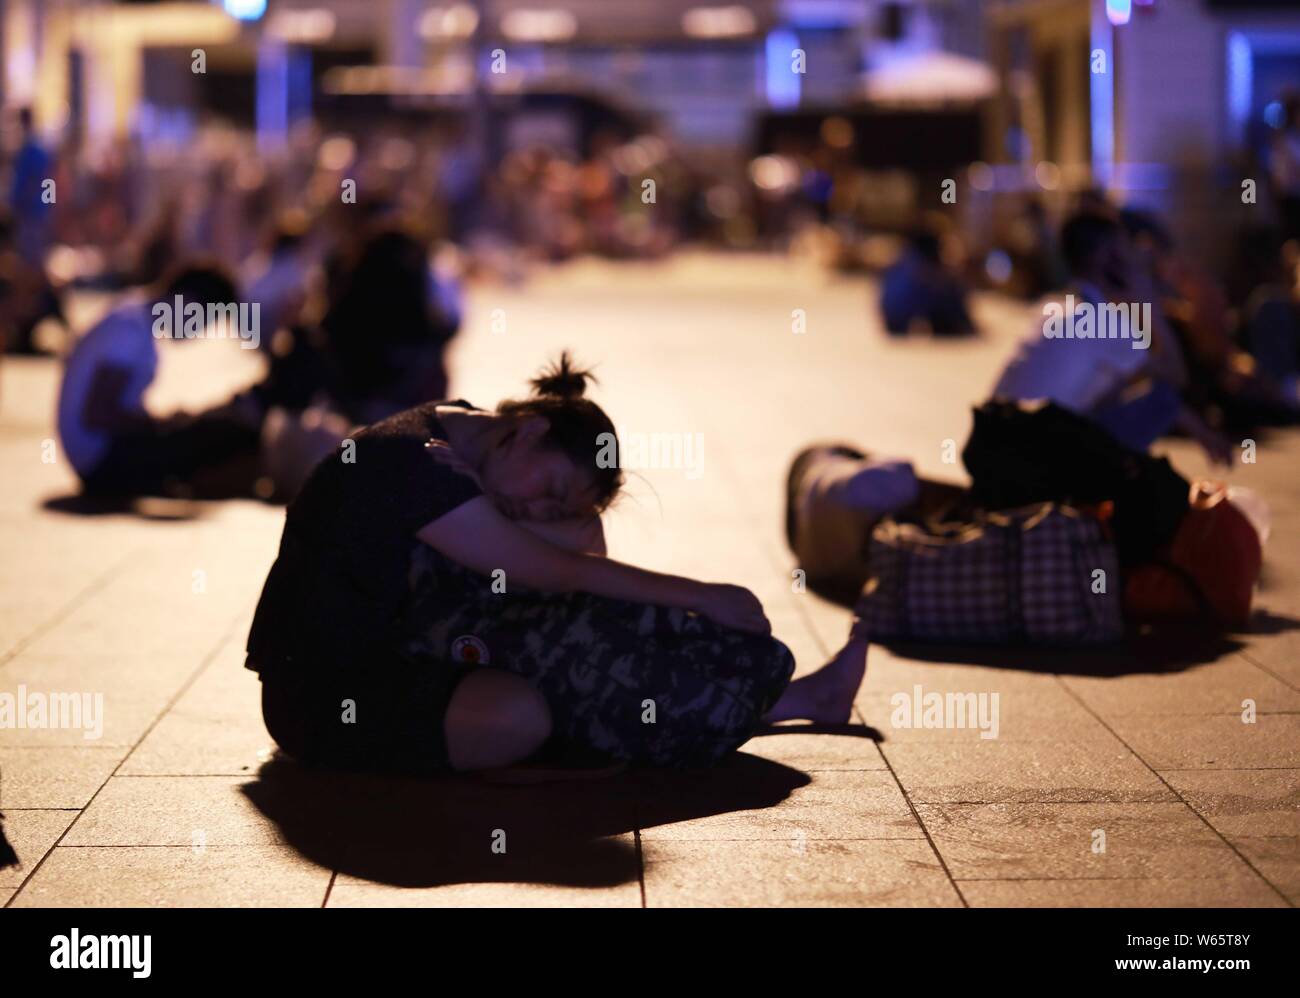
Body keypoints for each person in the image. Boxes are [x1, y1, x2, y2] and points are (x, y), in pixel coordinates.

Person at [246, 354, 869, 776]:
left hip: (411, 649)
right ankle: (722, 713)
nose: (539, 508)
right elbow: (558, 568)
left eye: (556, 505)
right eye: (550, 490)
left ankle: (796, 695)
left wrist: (530, 514)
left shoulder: (467, 431)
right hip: (324, 699)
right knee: (534, 696)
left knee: (593, 622)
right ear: (530, 429)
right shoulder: (415, 460)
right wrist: (702, 594)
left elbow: (585, 543)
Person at [992, 211, 1231, 462]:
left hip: (996, 450)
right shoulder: (1102, 321)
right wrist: (1147, 300)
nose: (1135, 260)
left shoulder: (1052, 306)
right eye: (1126, 250)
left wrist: (1201, 432)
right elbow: (1175, 376)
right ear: (1109, 258)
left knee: (1113, 389)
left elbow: (1120, 387)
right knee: (1163, 397)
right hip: (1036, 462)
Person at [55, 263, 259, 495]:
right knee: (226, 431)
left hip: (96, 453)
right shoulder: (130, 330)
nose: (201, 331)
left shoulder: (134, 314)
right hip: (100, 461)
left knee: (212, 426)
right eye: (206, 321)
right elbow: (98, 413)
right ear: (187, 301)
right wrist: (162, 424)